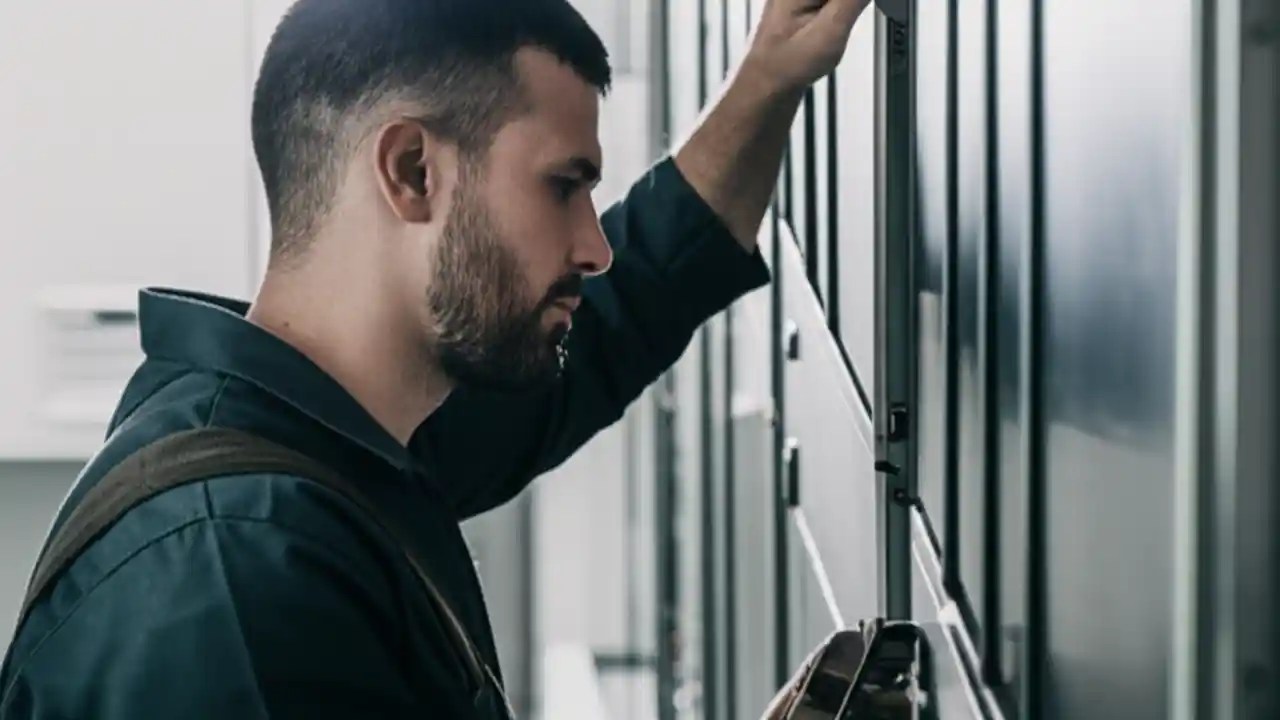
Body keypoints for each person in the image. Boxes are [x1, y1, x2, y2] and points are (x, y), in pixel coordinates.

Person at [0, 0, 871, 717]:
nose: (592, 246)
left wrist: (772, 73)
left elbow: (623, 309)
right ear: (412, 169)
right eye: (564, 187)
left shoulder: (333, 445)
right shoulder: (235, 589)